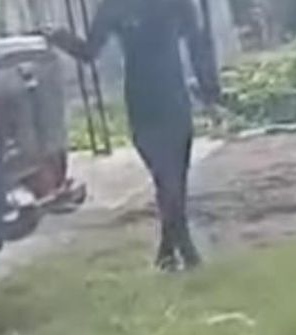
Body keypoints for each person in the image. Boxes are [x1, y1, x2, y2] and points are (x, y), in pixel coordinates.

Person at [47, 0, 221, 271]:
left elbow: (88, 51)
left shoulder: (115, 6)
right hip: (168, 92)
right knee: (172, 174)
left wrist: (59, 37)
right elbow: (197, 43)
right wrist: (209, 89)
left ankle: (173, 249)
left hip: (143, 95)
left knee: (166, 176)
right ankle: (180, 247)